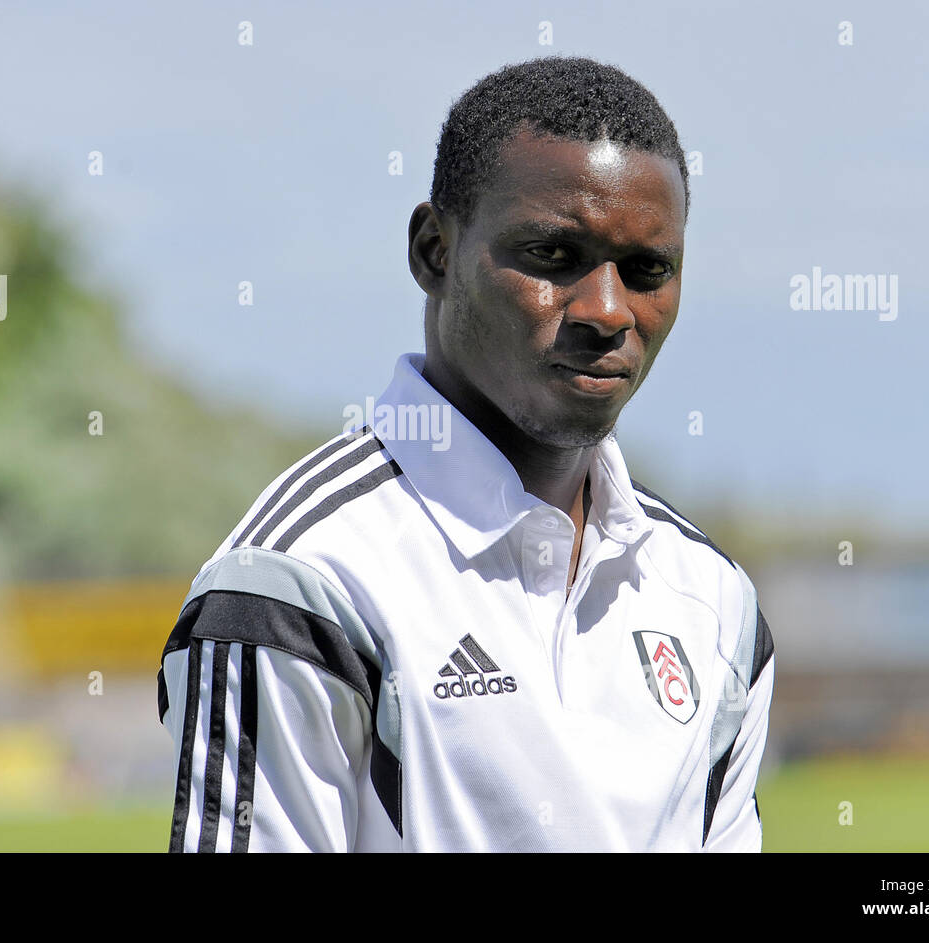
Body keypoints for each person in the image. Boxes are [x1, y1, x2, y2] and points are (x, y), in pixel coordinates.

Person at [159, 55, 775, 852]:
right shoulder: (301, 578)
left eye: (647, 269)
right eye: (554, 256)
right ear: (433, 251)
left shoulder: (712, 599)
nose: (608, 309)